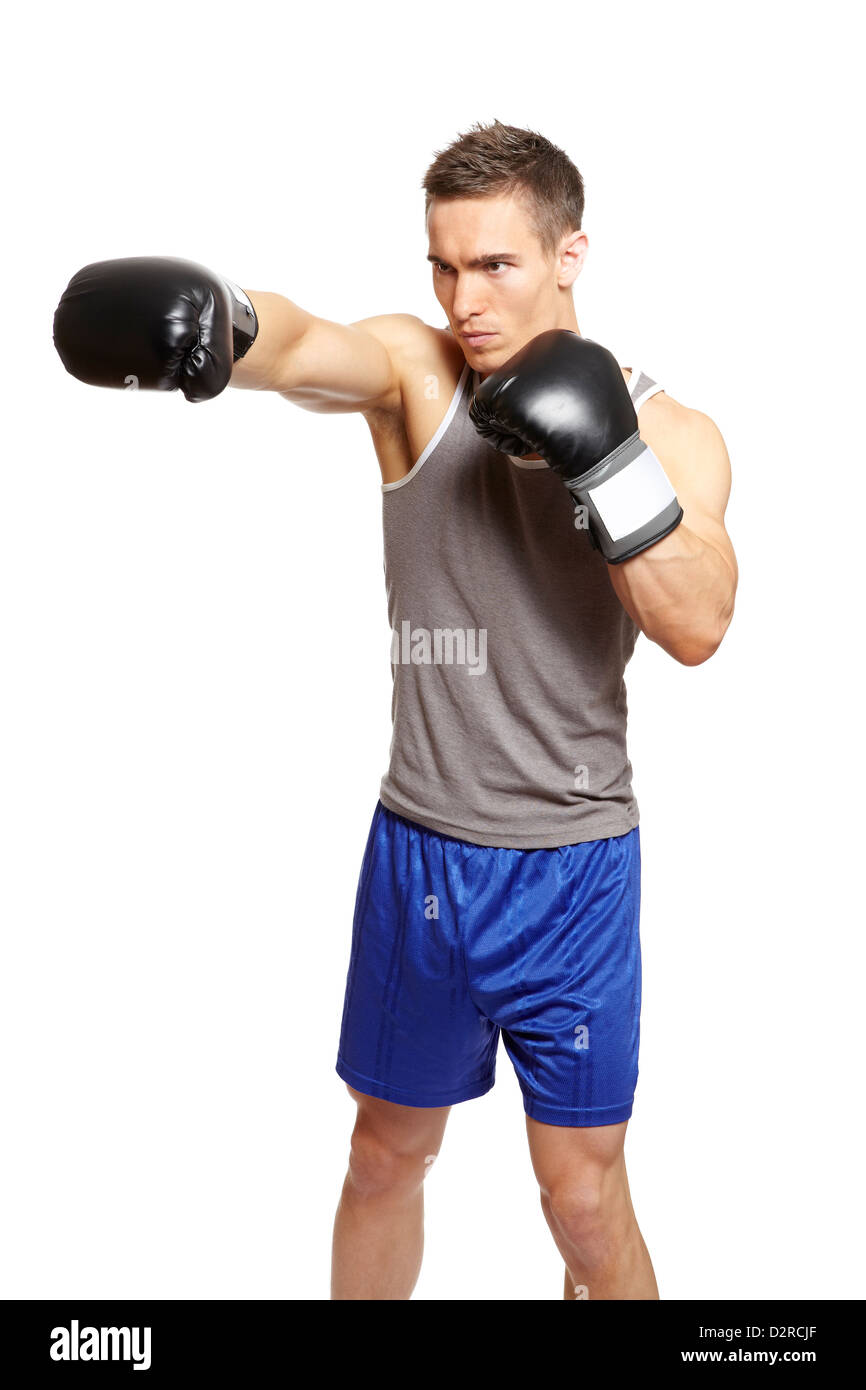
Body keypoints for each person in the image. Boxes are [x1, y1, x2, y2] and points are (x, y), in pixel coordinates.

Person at [53, 120, 738, 1301]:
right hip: (420, 851)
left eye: (493, 266)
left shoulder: (669, 431)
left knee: (580, 1203)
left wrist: (606, 463)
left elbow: (699, 624)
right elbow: (311, 343)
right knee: (383, 1154)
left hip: (572, 869)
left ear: (570, 253)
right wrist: (228, 323)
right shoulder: (420, 381)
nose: (461, 299)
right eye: (441, 265)